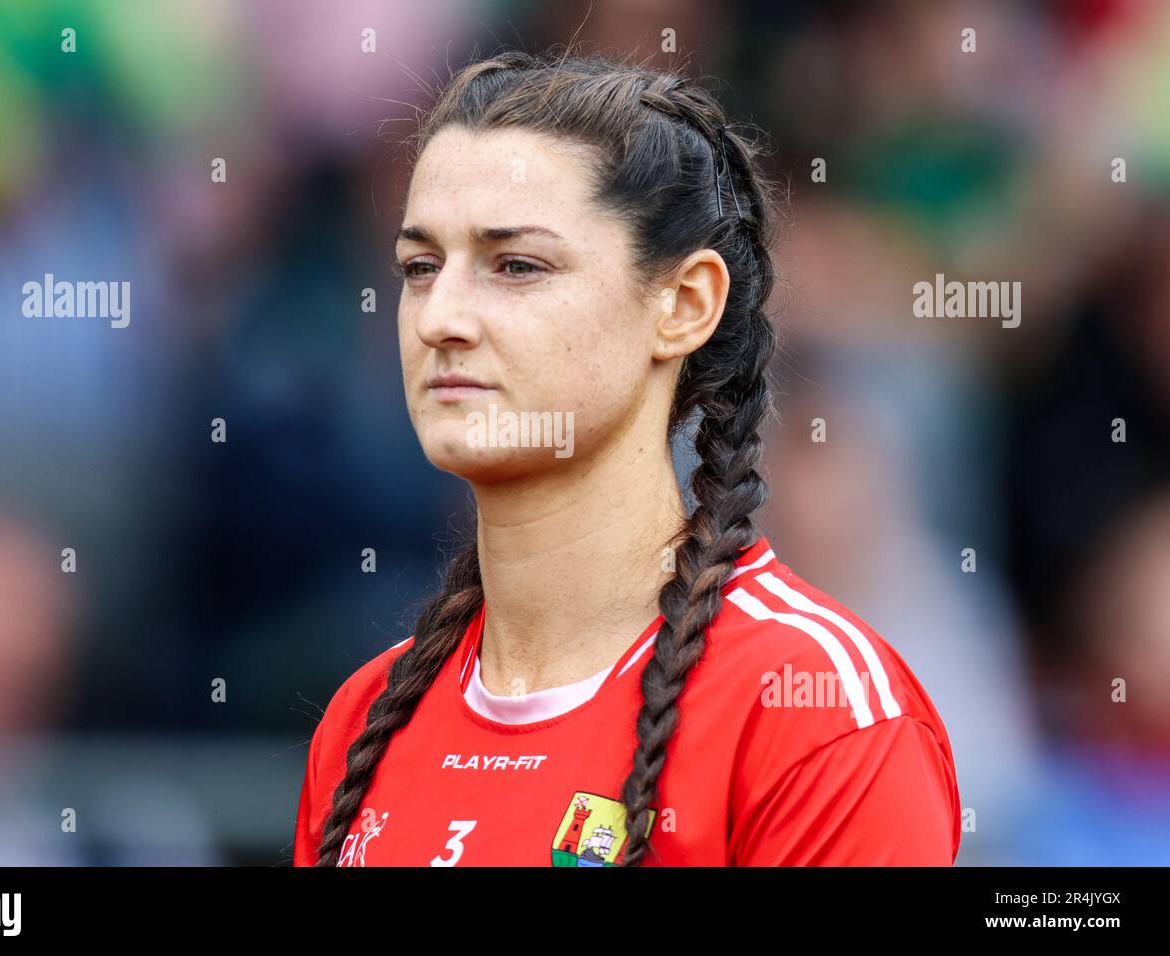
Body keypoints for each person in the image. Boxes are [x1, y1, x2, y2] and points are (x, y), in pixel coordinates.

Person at [293, 49, 960, 867]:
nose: (441, 318)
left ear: (684, 306)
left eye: (517, 266)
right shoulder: (366, 720)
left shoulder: (816, 712)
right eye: (420, 267)